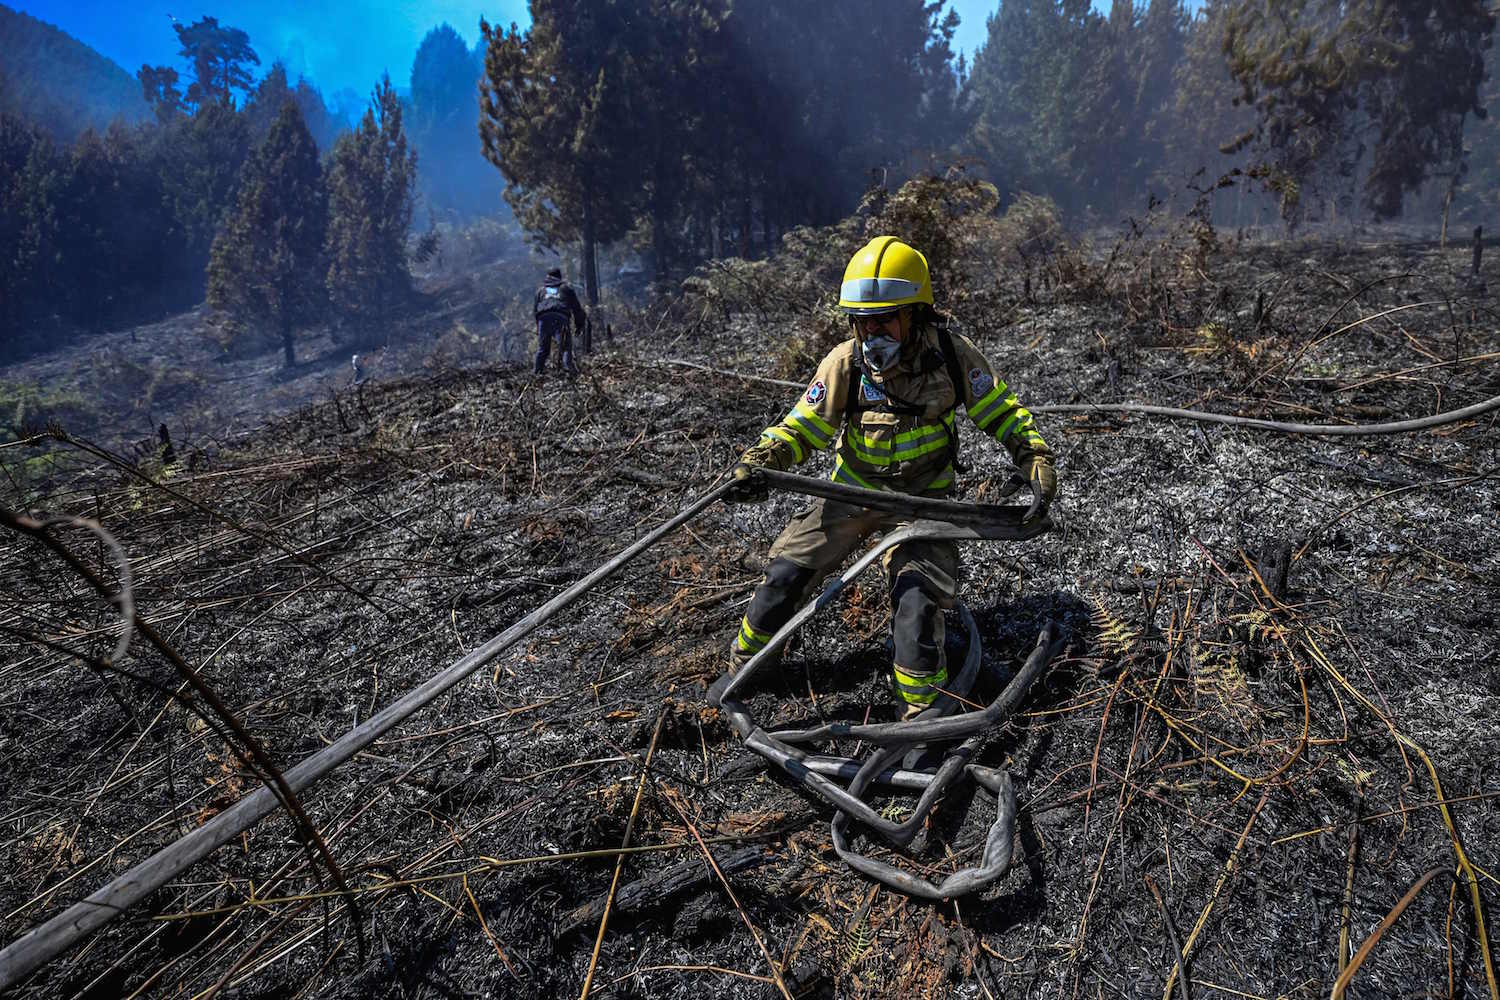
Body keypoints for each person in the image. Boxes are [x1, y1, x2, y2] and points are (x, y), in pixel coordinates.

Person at [725, 236, 1057, 719]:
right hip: (852, 492)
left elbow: (1001, 411)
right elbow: (803, 426)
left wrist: (1033, 457)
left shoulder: (952, 356)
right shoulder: (845, 363)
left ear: (915, 314)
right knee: (784, 575)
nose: (871, 332)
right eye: (862, 321)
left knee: (916, 603)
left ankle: (921, 712)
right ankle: (748, 670)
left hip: (925, 502)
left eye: (883, 319)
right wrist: (762, 460)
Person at [533, 267, 588, 376]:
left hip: (543, 318)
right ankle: (568, 371)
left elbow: (535, 311)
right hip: (560, 317)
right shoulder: (566, 289)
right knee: (565, 347)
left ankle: (536, 373)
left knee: (543, 348)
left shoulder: (540, 291)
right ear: (560, 277)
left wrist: (539, 328)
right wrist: (579, 325)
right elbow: (577, 309)